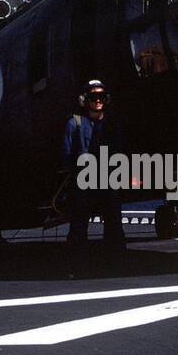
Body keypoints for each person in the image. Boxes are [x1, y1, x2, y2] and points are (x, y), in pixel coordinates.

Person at [62, 80, 125, 250]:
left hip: (108, 179)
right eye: (93, 96)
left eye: (101, 96)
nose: (98, 100)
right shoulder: (75, 123)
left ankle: (116, 260)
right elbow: (67, 154)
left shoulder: (112, 124)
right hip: (84, 181)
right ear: (85, 99)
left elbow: (119, 152)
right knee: (79, 226)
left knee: (114, 225)